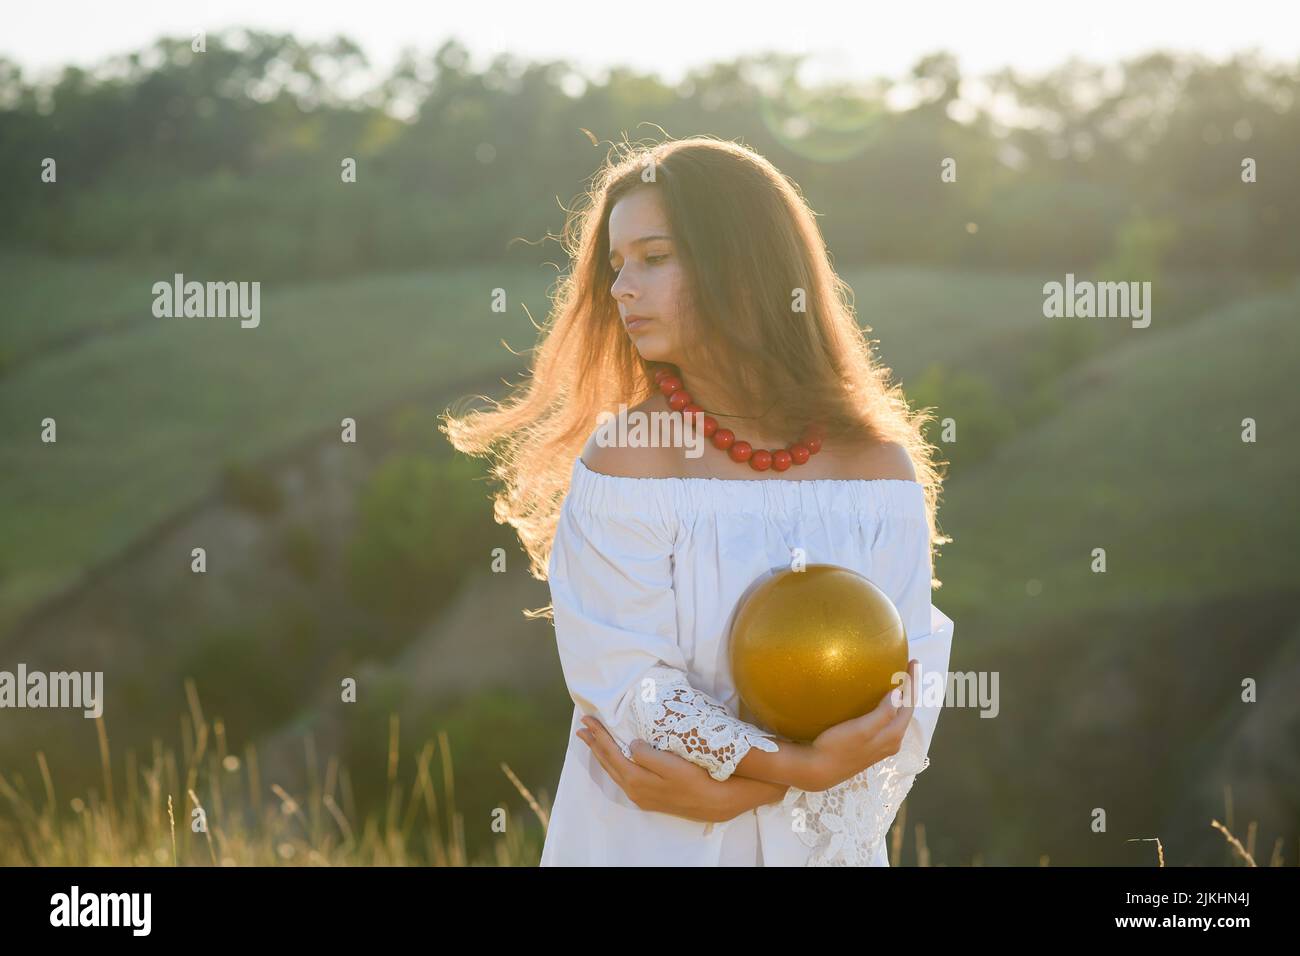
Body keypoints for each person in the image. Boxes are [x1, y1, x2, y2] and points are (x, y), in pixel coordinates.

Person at [441, 135, 955, 866]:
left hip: (814, 847)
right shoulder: (630, 457)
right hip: (653, 835)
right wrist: (798, 768)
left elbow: (902, 700)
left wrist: (757, 789)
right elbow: (630, 690)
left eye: (655, 258)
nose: (621, 288)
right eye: (617, 267)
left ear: (744, 268)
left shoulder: (876, 471)